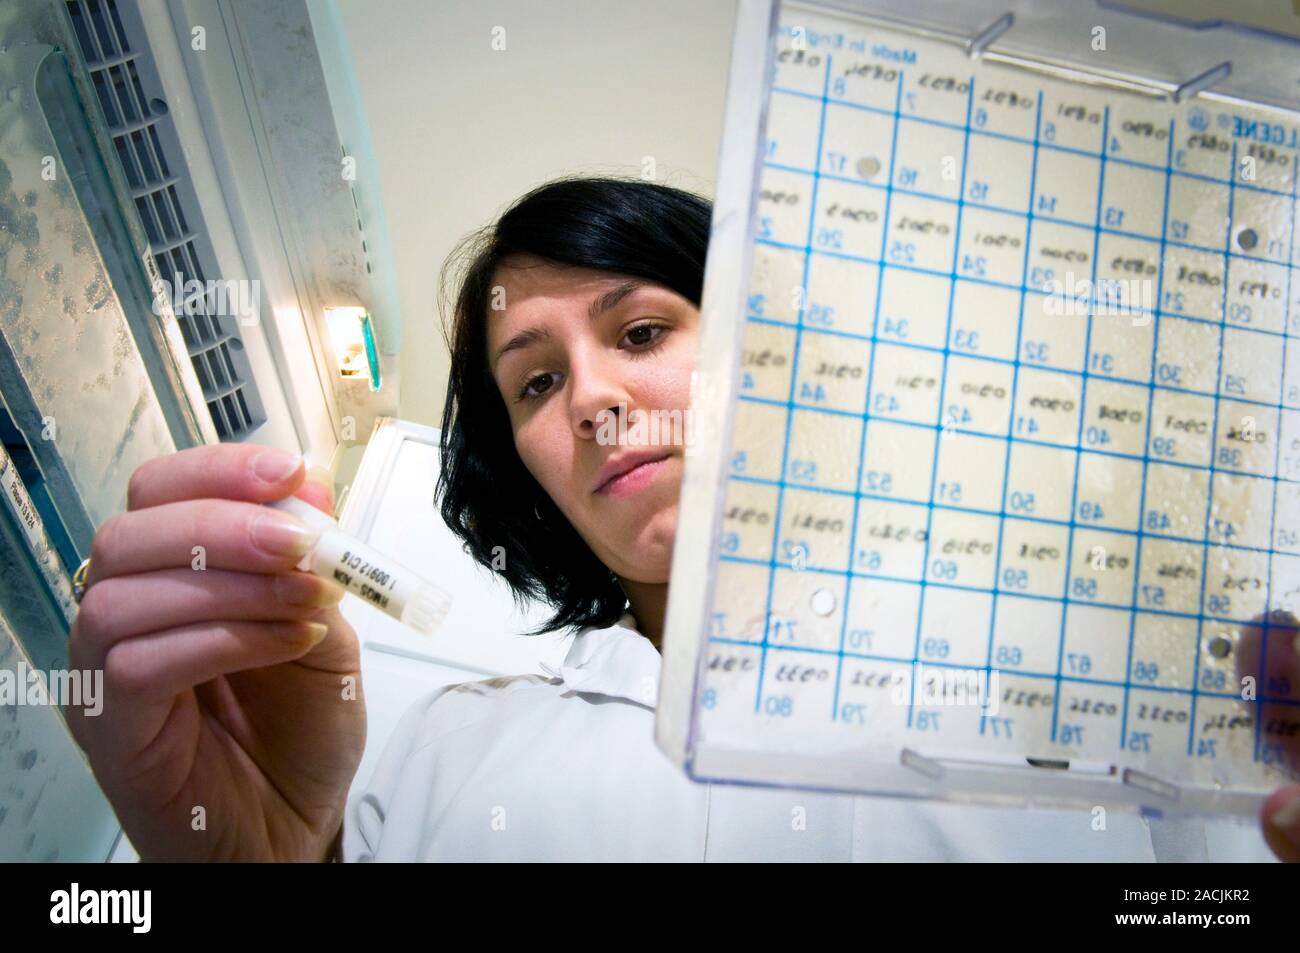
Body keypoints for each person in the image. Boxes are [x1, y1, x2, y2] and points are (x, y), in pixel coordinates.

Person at [65, 176, 1299, 862]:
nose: (594, 397)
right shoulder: (438, 760)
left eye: (642, 331)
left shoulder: (1062, 672)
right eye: (536, 383)